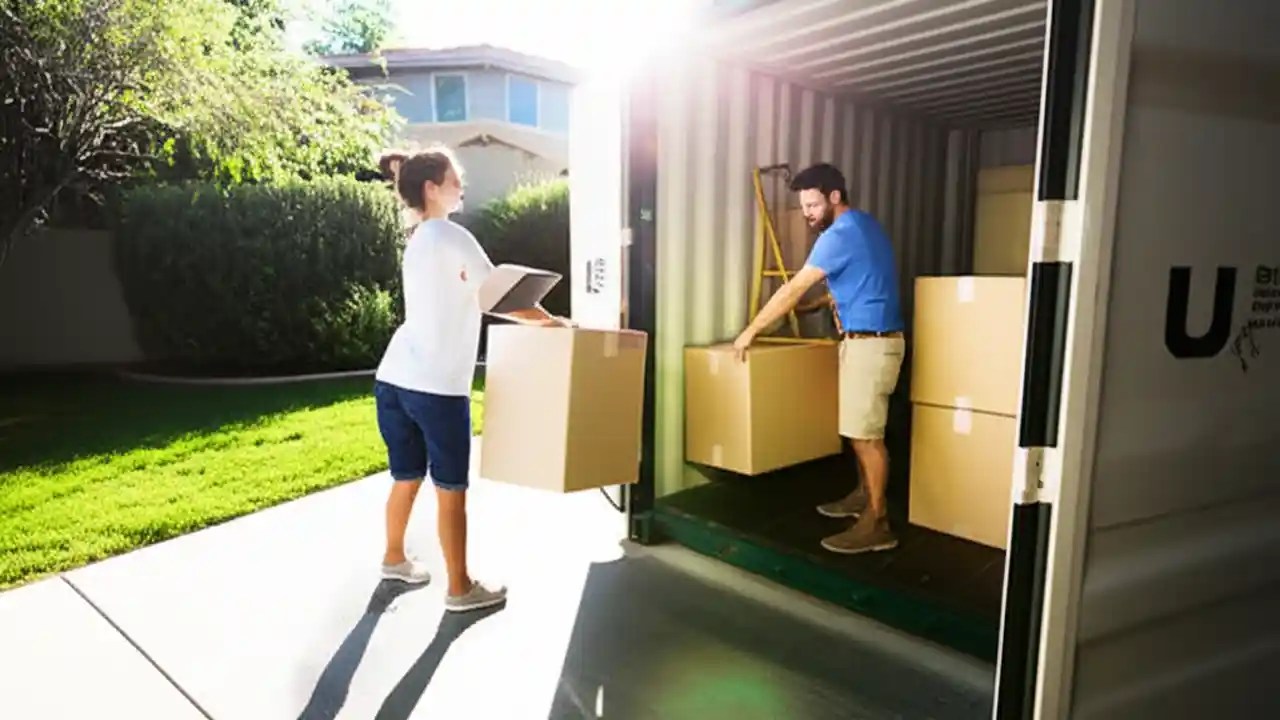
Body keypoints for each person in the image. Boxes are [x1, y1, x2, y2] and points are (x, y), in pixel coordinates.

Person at [374, 146, 563, 611]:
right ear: (432, 189)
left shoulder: (418, 238)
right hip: (437, 387)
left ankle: (394, 558)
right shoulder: (451, 236)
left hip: (395, 378)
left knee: (406, 476)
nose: (462, 187)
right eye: (455, 180)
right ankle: (460, 588)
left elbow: (476, 296)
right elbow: (497, 295)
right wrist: (553, 324)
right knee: (451, 488)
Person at [732, 162, 905, 555]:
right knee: (858, 430)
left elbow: (791, 289)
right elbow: (863, 281)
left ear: (834, 197)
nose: (807, 213)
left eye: (812, 205)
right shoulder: (865, 226)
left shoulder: (838, 236)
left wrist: (751, 330)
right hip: (869, 341)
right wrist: (818, 306)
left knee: (866, 437)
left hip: (870, 345)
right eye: (804, 205)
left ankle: (878, 522)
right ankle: (864, 496)